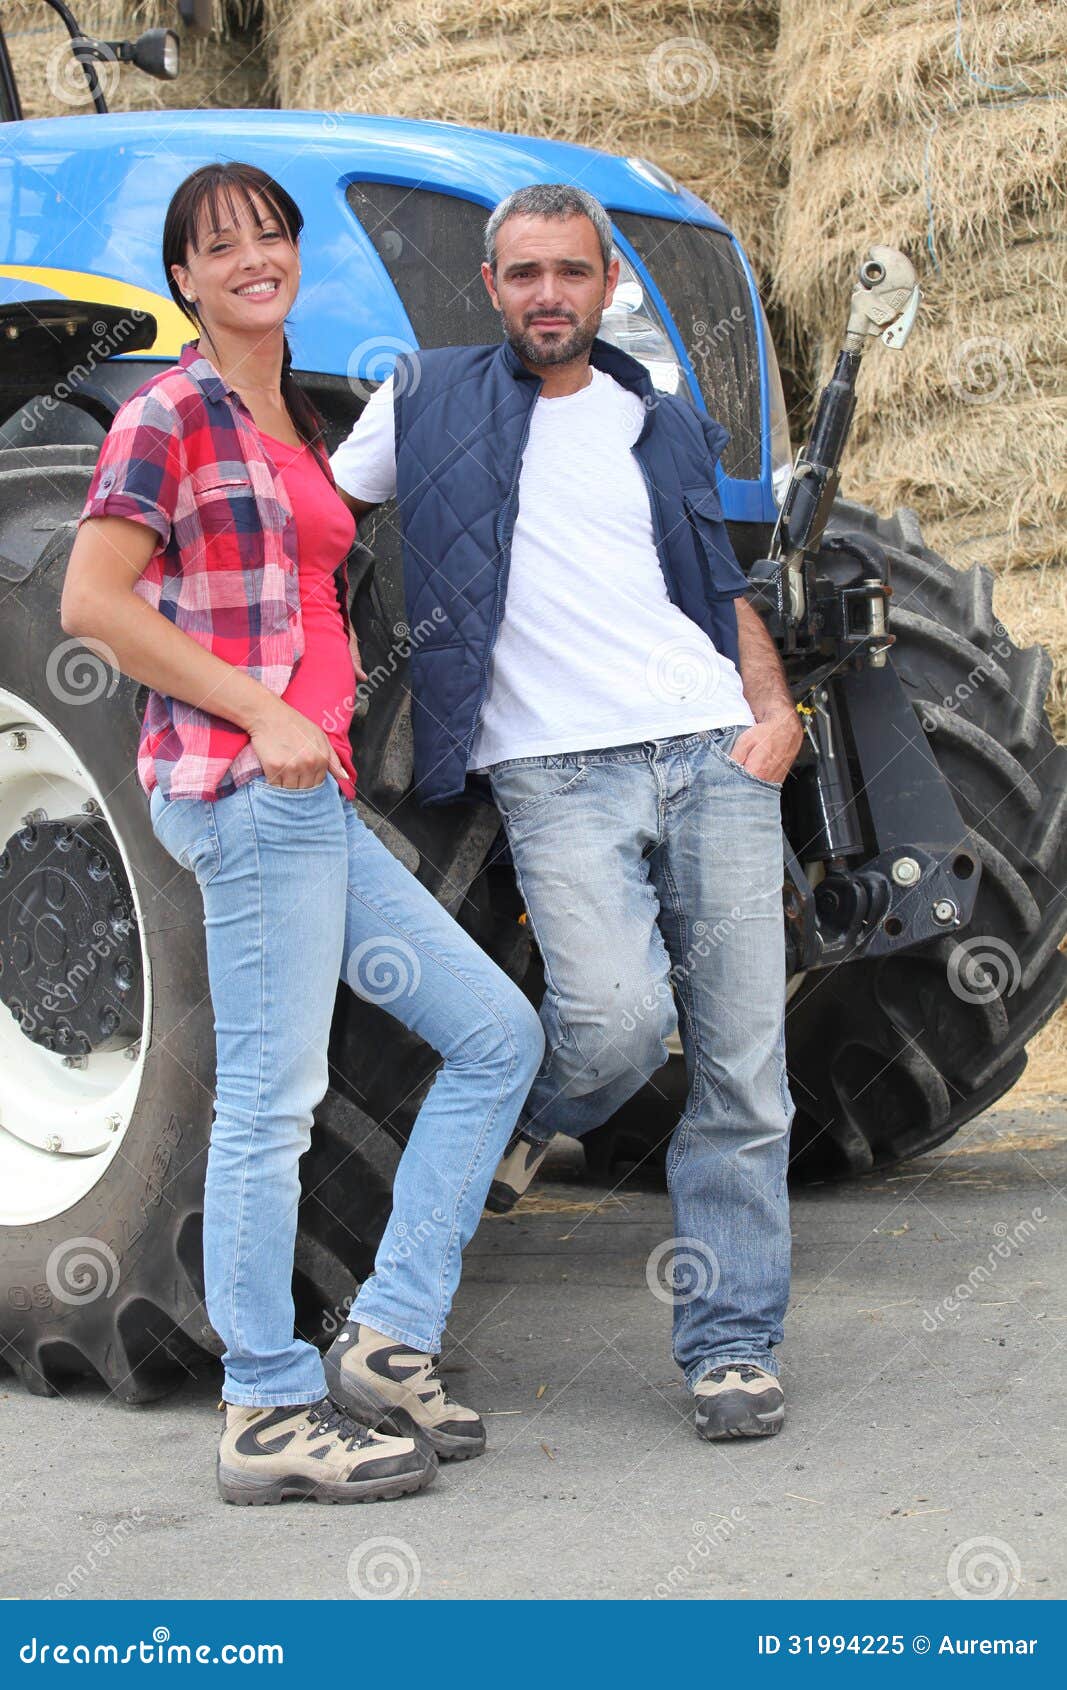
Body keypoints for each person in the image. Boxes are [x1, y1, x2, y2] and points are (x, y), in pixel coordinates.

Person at [61, 162, 545, 1506]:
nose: (249, 258)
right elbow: (94, 603)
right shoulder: (168, 409)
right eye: (217, 246)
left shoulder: (287, 410)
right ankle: (264, 1404)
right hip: (241, 787)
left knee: (498, 1034)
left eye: (268, 235)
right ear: (181, 279)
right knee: (270, 1104)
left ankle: (385, 1339)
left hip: (307, 798)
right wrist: (261, 712)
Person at [330, 183, 802, 1443]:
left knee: (745, 1074)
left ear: (602, 288)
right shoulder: (423, 400)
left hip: (712, 753)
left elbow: (716, 586)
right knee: (613, 1024)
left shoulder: (658, 421)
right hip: (556, 770)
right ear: (491, 288)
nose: (549, 295)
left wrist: (771, 712)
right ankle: (524, 1120)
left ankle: (730, 1348)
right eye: (524, 273)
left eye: (571, 274)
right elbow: (319, 518)